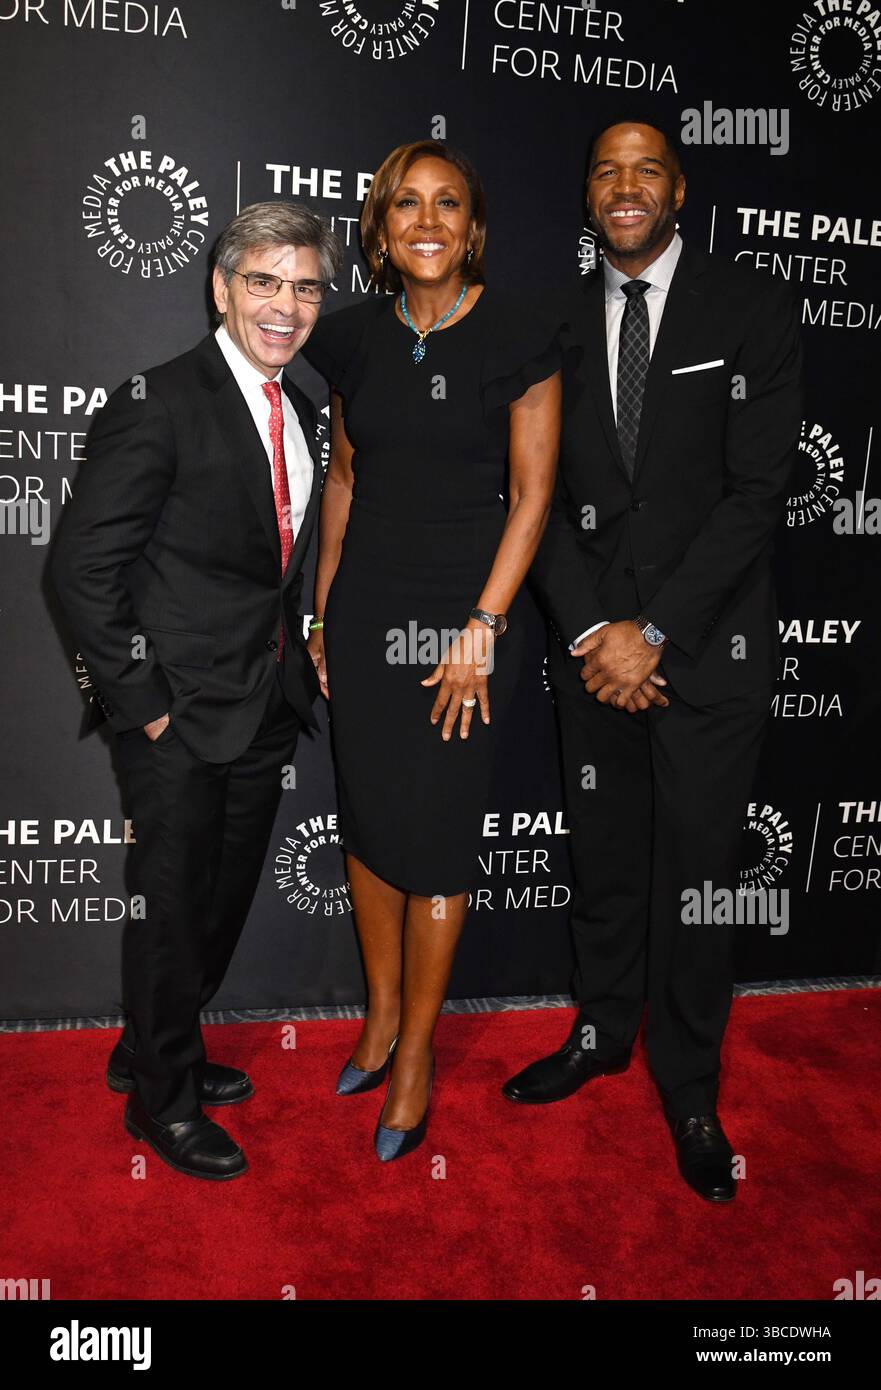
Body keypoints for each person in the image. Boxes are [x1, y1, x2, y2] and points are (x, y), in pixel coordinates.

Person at [504, 117, 803, 1202]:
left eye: (645, 171)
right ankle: (599, 1030)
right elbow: (531, 496)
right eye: (604, 172)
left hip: (705, 649)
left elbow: (754, 494)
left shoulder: (752, 305)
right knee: (607, 858)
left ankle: (687, 1082)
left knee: (695, 879)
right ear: (586, 195)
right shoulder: (544, 321)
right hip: (591, 654)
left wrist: (654, 631)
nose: (623, 189)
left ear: (677, 188)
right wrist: (592, 632)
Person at [51, 202, 344, 1181]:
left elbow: (277, 565)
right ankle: (160, 1106)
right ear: (221, 287)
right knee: (173, 910)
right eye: (264, 280)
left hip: (264, 704)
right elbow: (81, 569)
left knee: (215, 907)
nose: (285, 304)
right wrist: (145, 702)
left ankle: (151, 1046)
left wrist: (304, 644)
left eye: (304, 286)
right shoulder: (159, 398)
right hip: (176, 714)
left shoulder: (302, 408)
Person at [301, 140, 562, 1161]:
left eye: (446, 203)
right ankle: (377, 1015)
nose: (426, 219)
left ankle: (415, 1057)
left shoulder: (518, 331)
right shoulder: (353, 337)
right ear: (379, 225)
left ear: (471, 226)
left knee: (440, 836)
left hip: (466, 622)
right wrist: (323, 612)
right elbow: (345, 481)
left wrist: (483, 627)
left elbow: (533, 493)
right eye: (405, 203)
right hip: (365, 614)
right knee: (368, 820)